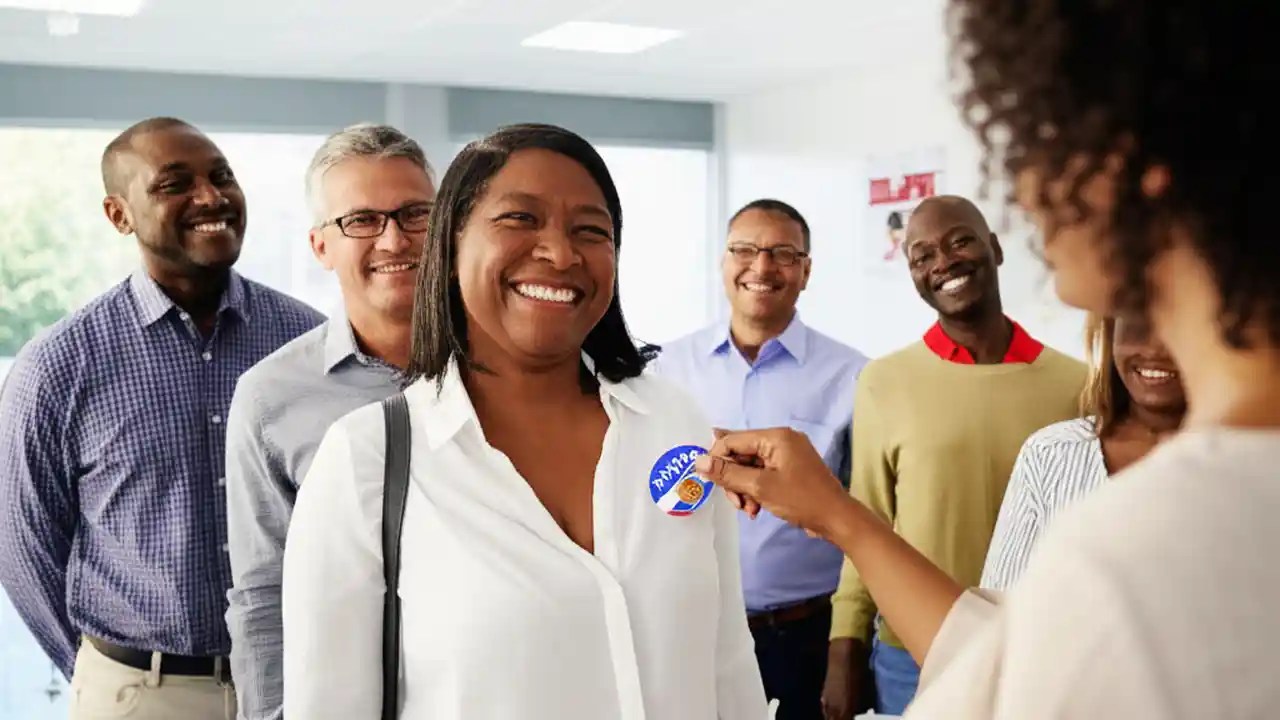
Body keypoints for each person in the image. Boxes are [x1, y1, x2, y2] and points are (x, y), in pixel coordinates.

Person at [697, 1, 1280, 717]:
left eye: (1035, 147)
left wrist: (839, 518)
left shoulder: (1135, 549)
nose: (1023, 196)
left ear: (1127, 172)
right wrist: (841, 517)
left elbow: (997, 688)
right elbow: (1003, 657)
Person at [280, 123, 768, 719]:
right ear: (450, 242)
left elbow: (727, 665)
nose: (561, 253)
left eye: (591, 230)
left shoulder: (673, 423)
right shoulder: (366, 460)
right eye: (520, 219)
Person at [0, 117, 323, 720]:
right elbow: (24, 546)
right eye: (174, 184)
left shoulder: (307, 340)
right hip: (141, 695)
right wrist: (102, 672)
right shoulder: (59, 365)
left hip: (295, 687)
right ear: (119, 215)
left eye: (221, 176)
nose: (210, 196)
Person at [823, 194, 1085, 718]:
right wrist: (845, 647)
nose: (943, 262)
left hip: (1041, 645)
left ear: (994, 249)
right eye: (922, 256)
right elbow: (866, 519)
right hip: (912, 652)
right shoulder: (884, 383)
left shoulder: (1077, 384)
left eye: (960, 241)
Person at [224, 123, 436, 720]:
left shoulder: (511, 367)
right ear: (321, 246)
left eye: (415, 214)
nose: (394, 239)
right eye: (361, 220)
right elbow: (264, 594)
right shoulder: (271, 398)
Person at [654, 198, 868, 719]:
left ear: (806, 270)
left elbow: (866, 512)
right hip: (692, 629)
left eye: (782, 253)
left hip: (806, 636)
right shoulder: (663, 371)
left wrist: (848, 649)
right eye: (745, 250)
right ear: (724, 262)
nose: (762, 266)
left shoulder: (854, 376)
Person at [982, 313, 1186, 590]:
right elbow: (1000, 612)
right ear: (1111, 329)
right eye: (1137, 321)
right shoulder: (1051, 454)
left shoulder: (1254, 465)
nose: (1152, 348)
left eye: (1179, 323)